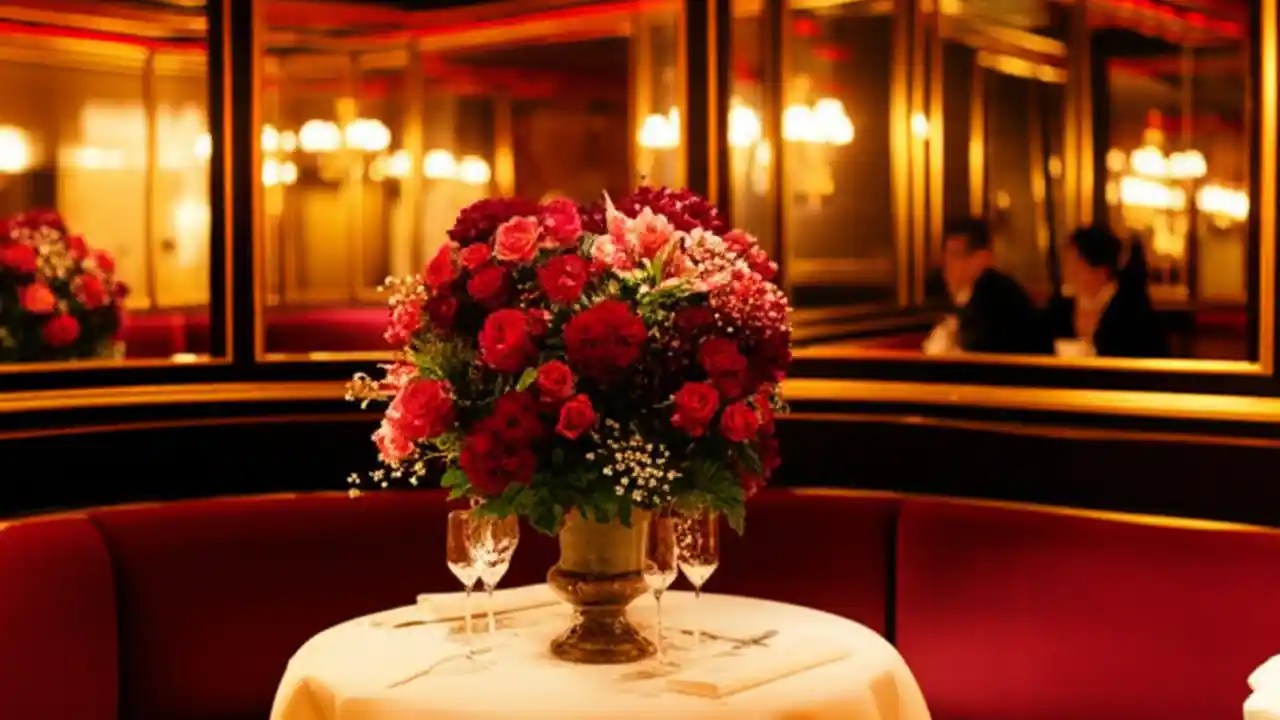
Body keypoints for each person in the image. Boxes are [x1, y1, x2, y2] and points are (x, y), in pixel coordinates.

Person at [924, 218, 1051, 355]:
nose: (947, 267)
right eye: (946, 257)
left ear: (981, 259)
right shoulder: (967, 297)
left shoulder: (996, 298)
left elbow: (974, 355)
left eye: (955, 256)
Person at [1048, 225, 1168, 358]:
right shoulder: (1061, 308)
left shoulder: (1131, 310)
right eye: (1066, 263)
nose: (1068, 272)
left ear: (1101, 270)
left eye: (1076, 264)